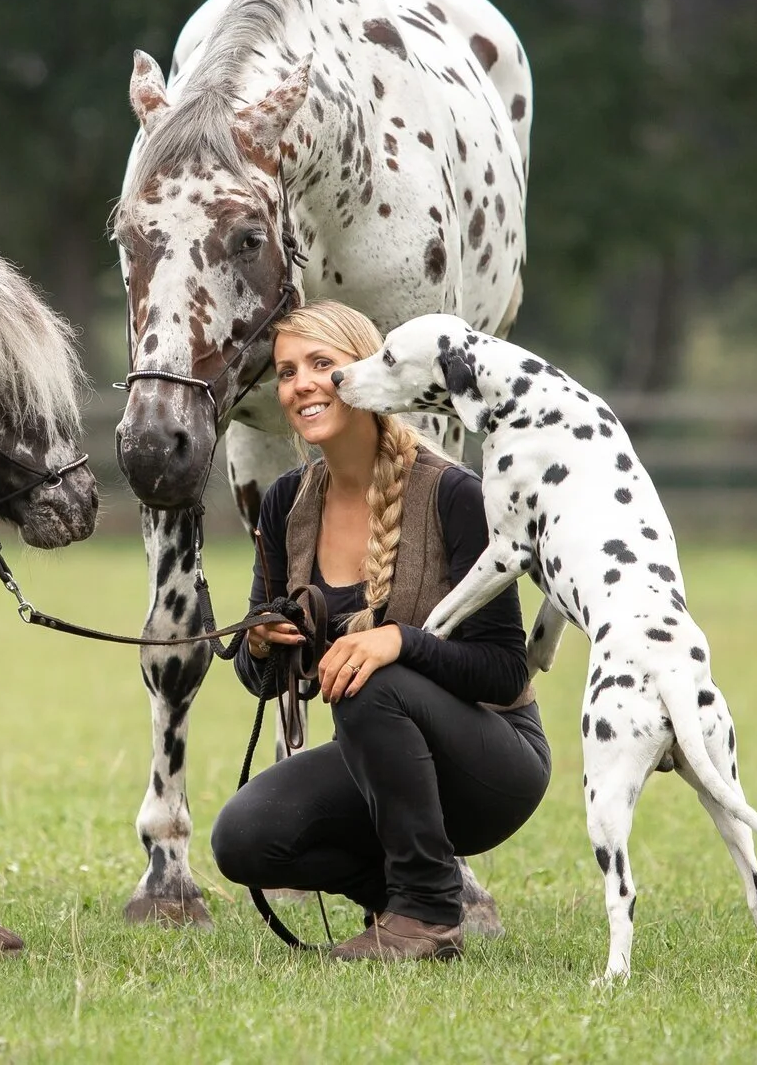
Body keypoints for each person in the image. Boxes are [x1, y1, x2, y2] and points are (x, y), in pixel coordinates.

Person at [209, 301, 551, 961]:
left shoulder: (453, 494)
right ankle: (409, 899)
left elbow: (507, 670)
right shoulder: (285, 502)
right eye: (286, 372)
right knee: (245, 839)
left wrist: (400, 641)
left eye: (320, 364)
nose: (301, 384)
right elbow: (261, 680)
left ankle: (426, 917)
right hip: (384, 766)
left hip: (494, 764)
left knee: (374, 673)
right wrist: (259, 643)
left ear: (363, 374)